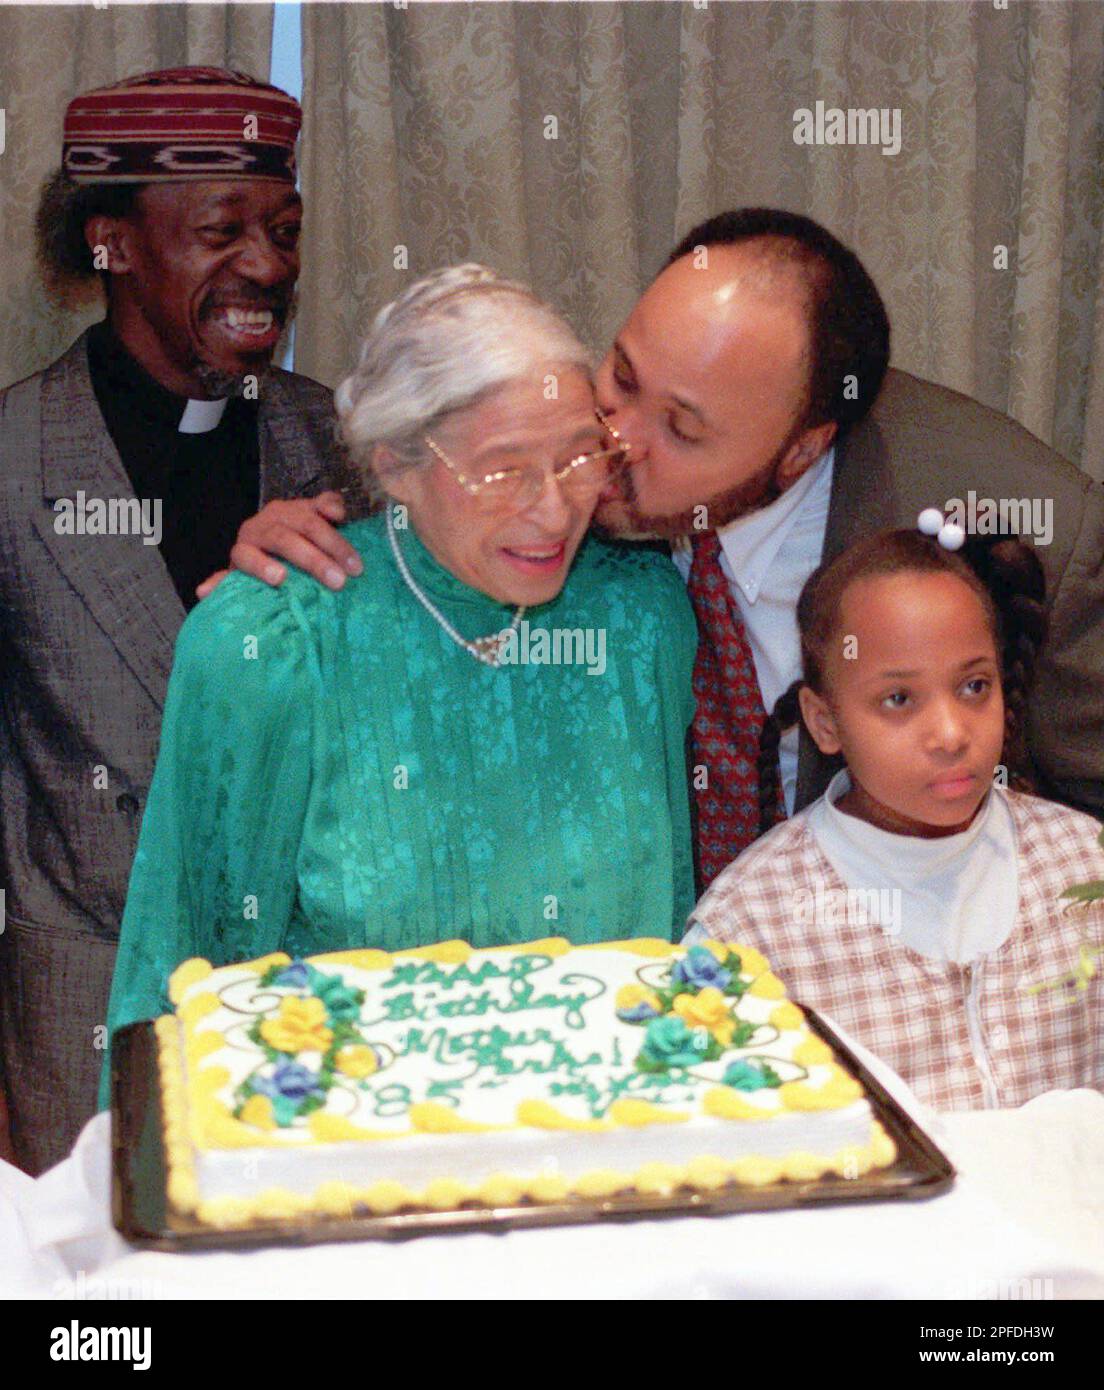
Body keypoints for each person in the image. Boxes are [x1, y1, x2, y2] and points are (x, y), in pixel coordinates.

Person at [234, 210, 1104, 886]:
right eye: (622, 374)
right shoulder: (566, 456)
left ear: (801, 448)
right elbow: (437, 495)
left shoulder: (1035, 531)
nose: (612, 440)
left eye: (682, 431)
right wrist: (316, 546)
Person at [98, 265, 698, 1100]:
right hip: (346, 1175)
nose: (554, 509)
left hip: (598, 1160)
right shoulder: (272, 643)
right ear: (397, 467)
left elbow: (668, 932)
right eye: (502, 470)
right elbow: (185, 979)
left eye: (578, 457)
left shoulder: (639, 618)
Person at [0, 67, 348, 1173]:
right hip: (86, 1009)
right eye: (223, 230)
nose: (267, 267)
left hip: (306, 994)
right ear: (112, 244)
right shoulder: (10, 461)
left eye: (284, 232)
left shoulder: (340, 439)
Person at [684, 517, 1104, 1110]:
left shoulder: (1085, 865)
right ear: (825, 721)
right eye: (899, 699)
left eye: (974, 686)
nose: (952, 733)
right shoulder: (752, 929)